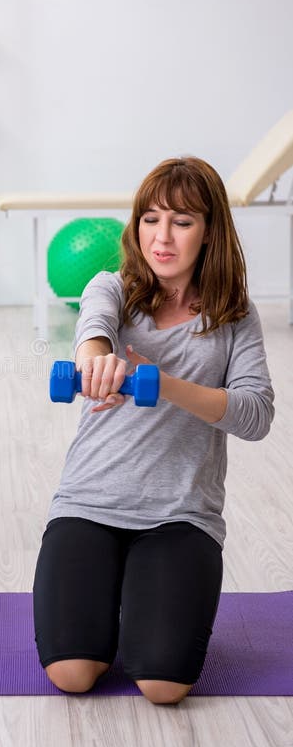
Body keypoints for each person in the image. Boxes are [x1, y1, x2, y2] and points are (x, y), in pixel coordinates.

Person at [33, 156, 275, 705]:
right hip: (89, 502)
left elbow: (256, 415)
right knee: (72, 673)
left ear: (209, 230)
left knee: (164, 685)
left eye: (182, 222)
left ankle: (140, 596)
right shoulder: (112, 288)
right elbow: (93, 330)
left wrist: (161, 381)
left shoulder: (235, 317)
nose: (161, 237)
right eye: (151, 219)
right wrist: (97, 359)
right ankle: (114, 594)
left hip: (180, 514)